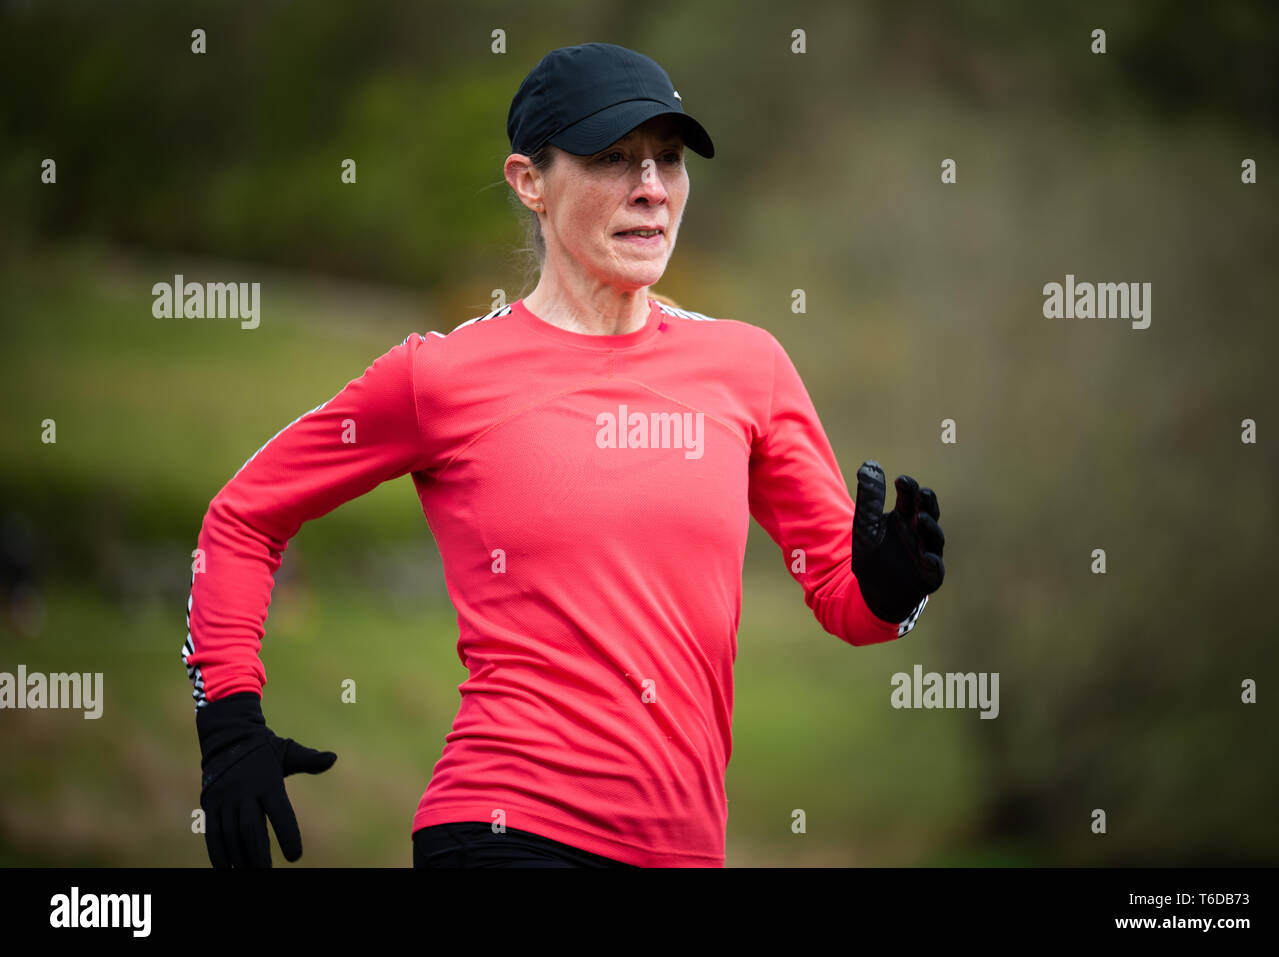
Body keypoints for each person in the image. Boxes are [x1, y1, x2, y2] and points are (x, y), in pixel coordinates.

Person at [183, 42, 945, 870]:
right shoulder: (439, 378)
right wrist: (229, 719)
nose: (650, 186)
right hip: (503, 829)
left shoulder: (748, 368)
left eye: (668, 160)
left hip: (683, 848)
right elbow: (243, 517)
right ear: (530, 182)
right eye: (613, 158)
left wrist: (891, 586)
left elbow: (846, 600)